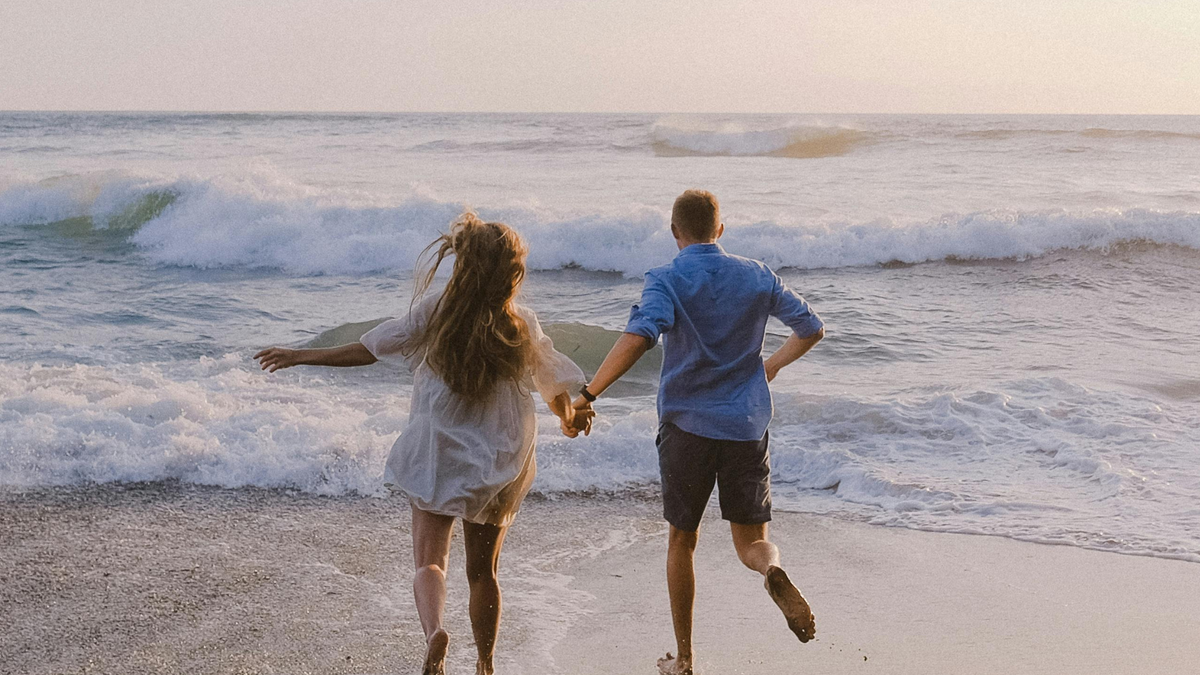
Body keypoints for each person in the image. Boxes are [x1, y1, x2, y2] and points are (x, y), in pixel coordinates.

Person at [254, 214, 593, 675]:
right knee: (483, 571)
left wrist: (301, 355)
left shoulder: (437, 310)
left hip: (440, 448)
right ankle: (486, 664)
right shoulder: (520, 322)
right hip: (501, 455)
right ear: (511, 271)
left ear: (464, 265)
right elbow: (553, 385)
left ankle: (435, 632)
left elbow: (370, 348)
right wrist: (571, 417)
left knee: (429, 561)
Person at [574, 190, 824, 675]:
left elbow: (641, 336)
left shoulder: (666, 278)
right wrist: (766, 368)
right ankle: (772, 569)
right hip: (746, 425)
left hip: (687, 427)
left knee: (682, 542)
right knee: (752, 542)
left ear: (674, 233)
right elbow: (811, 327)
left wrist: (589, 394)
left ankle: (685, 658)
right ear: (721, 230)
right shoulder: (756, 274)